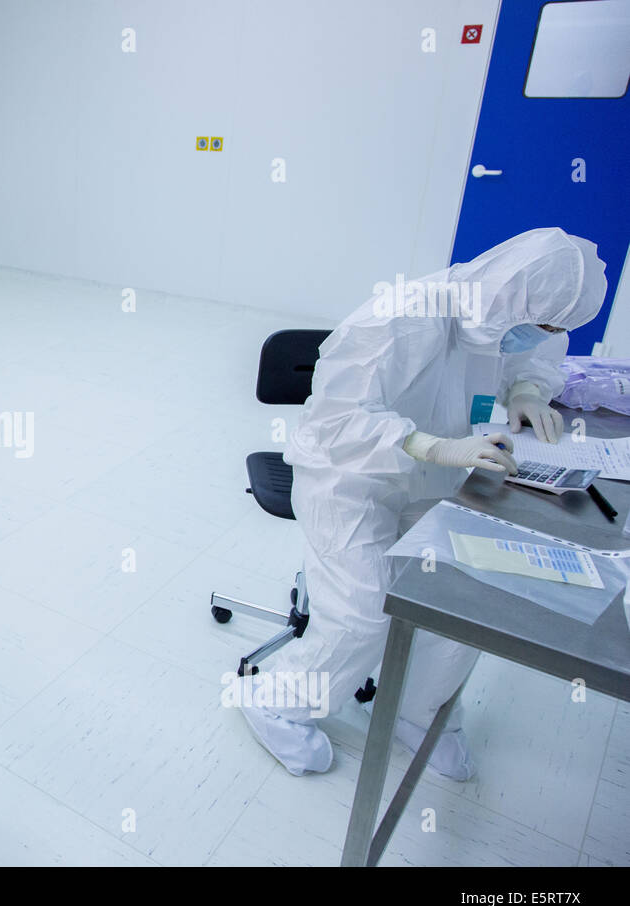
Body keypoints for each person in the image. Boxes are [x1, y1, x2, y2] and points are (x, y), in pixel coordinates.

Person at [238, 227, 608, 778]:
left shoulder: (514, 319)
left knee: (461, 602)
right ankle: (276, 701)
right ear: (512, 294)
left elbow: (537, 355)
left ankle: (418, 712)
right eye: (542, 324)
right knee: (362, 616)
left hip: (442, 476)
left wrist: (527, 390)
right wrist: (427, 444)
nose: (544, 334)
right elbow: (337, 419)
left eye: (557, 328)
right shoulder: (400, 317)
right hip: (350, 478)